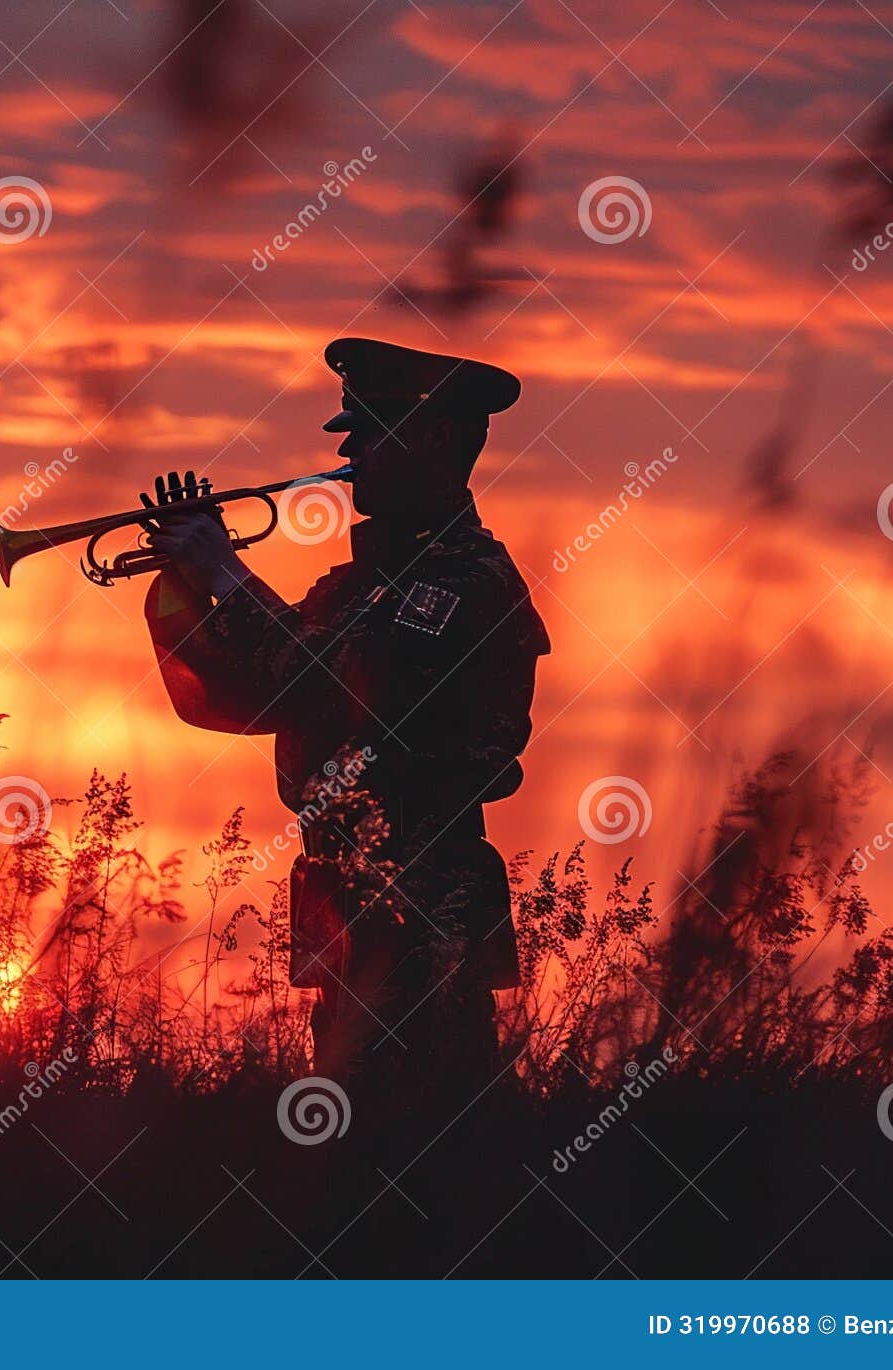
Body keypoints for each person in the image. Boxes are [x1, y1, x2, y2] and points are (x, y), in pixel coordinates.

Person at [140, 337, 549, 1087]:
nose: (352, 447)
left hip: (425, 896)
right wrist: (183, 586)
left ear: (438, 438)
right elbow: (234, 699)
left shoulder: (468, 584)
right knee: (352, 1123)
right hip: (340, 893)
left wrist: (228, 574)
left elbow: (339, 691)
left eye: (372, 428)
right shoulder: (355, 587)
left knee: (426, 1121)